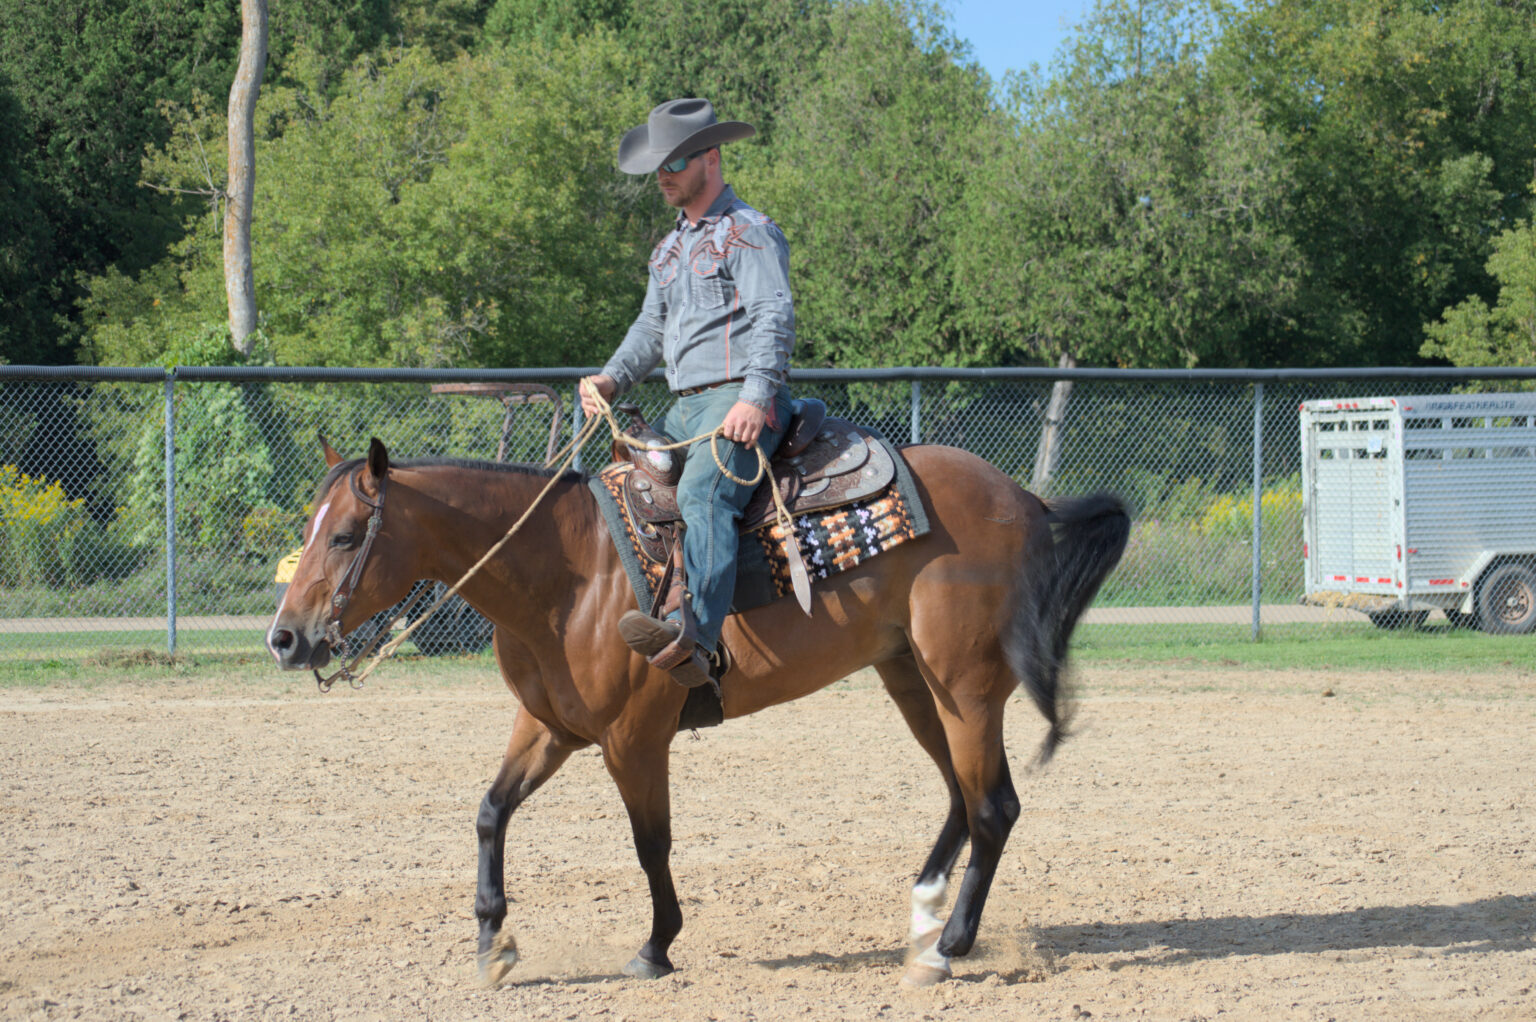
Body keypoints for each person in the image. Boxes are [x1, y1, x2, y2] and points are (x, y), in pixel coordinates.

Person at [581, 98, 796, 688]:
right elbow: (651, 329)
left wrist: (754, 399)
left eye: (675, 161)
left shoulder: (747, 232)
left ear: (711, 157)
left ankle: (693, 637)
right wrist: (610, 378)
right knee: (621, 487)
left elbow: (774, 315)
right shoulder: (669, 249)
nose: (664, 174)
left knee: (703, 495)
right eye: (659, 163)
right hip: (683, 409)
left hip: (739, 401)